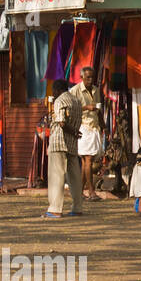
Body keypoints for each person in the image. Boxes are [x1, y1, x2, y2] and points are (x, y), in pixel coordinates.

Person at [44, 79, 83, 219]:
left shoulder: (60, 100)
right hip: (73, 144)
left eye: (53, 91)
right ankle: (77, 207)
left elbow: (61, 122)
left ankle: (55, 209)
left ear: (57, 90)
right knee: (75, 177)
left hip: (59, 142)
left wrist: (72, 131)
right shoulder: (77, 101)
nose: (53, 94)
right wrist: (75, 133)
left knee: (57, 175)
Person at [72, 67, 103, 200]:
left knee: (86, 161)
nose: (90, 80)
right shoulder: (75, 91)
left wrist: (104, 125)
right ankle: (91, 191)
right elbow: (70, 108)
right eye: (88, 77)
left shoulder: (96, 90)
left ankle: (78, 192)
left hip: (94, 127)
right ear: (82, 77)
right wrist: (86, 107)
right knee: (88, 160)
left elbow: (99, 109)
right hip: (83, 127)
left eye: (92, 77)